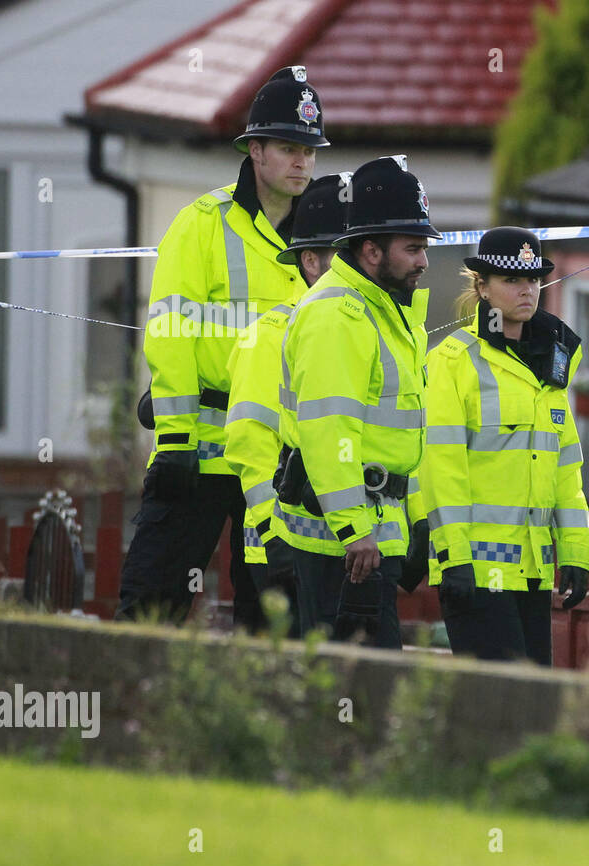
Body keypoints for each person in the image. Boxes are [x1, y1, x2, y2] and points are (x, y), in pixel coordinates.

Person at [117, 66, 327, 627]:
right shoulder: (202, 225)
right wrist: (175, 440)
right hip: (201, 449)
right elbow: (170, 334)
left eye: (309, 150)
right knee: (152, 603)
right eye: (289, 148)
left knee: (274, 616)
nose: (302, 162)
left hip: (278, 459)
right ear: (255, 150)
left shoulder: (328, 241)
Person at [273, 156, 437, 648]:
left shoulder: (379, 310)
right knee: (354, 683)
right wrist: (353, 529)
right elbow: (329, 431)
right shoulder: (339, 315)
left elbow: (394, 437)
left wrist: (413, 520)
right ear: (370, 250)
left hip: (366, 539)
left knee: (360, 682)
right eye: (413, 248)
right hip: (344, 548)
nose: (424, 261)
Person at [416, 227, 589, 668]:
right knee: (497, 700)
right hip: (474, 571)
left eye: (533, 279)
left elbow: (566, 471)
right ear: (482, 286)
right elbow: (440, 467)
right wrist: (454, 555)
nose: (526, 289)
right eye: (511, 280)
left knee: (533, 699)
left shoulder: (550, 369)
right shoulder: (452, 361)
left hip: (533, 572)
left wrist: (575, 552)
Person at [223, 172, 348, 635]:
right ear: (310, 261)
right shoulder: (271, 335)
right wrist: (274, 536)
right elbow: (250, 440)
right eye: (346, 254)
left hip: (344, 548)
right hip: (282, 552)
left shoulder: (360, 334)